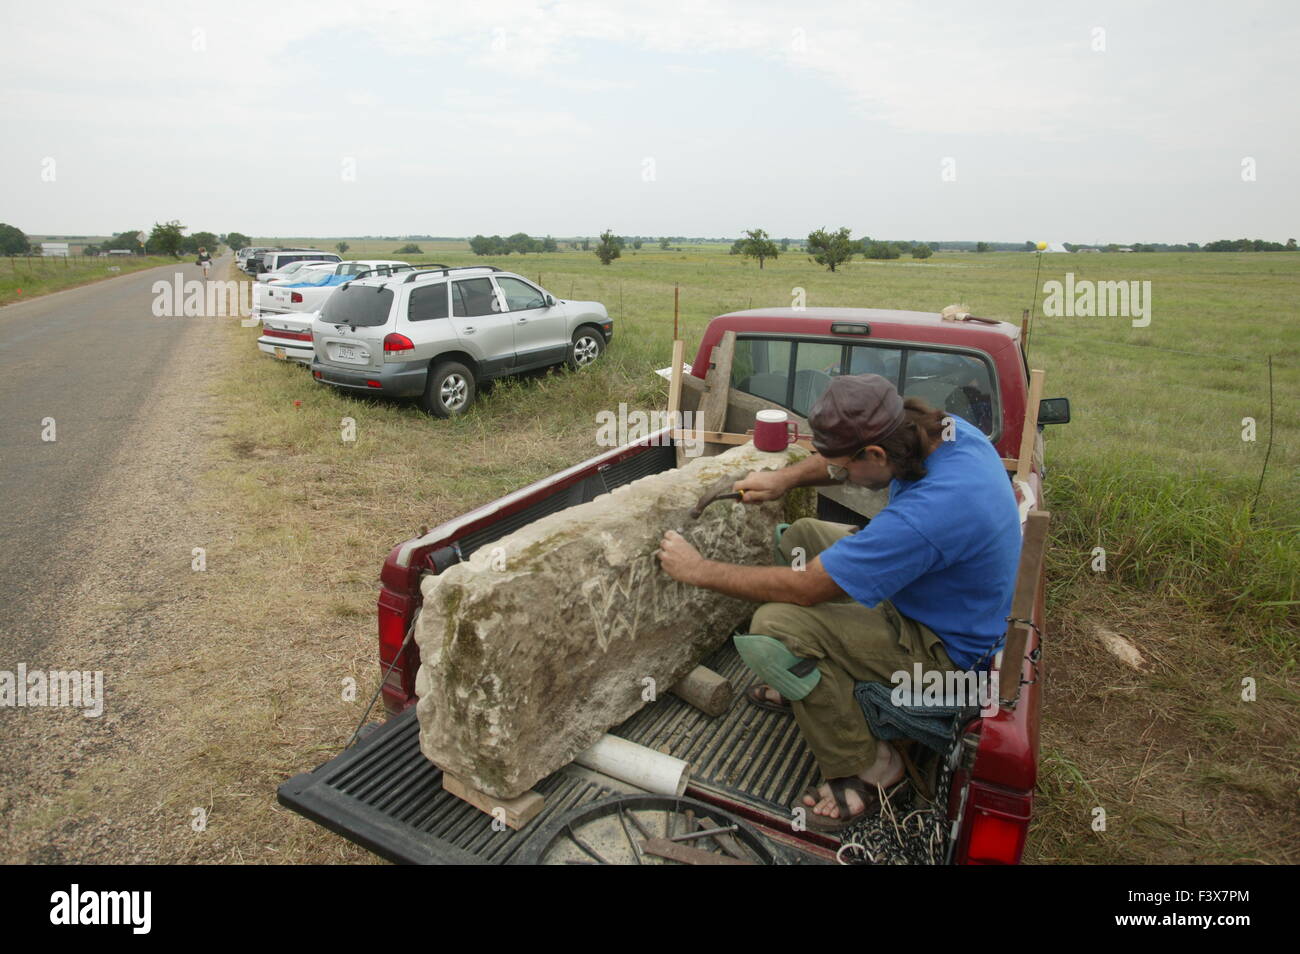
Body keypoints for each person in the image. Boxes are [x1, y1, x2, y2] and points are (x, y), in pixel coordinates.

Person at [655, 374, 1021, 831]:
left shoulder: (932, 512)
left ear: (876, 455)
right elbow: (837, 465)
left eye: (845, 469)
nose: (839, 475)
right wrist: (784, 479)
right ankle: (818, 686)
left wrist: (698, 571)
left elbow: (809, 588)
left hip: (945, 653)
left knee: (775, 629)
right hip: (932, 592)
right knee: (802, 538)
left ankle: (871, 766)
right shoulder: (939, 431)